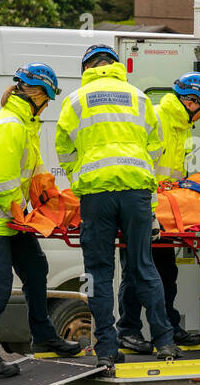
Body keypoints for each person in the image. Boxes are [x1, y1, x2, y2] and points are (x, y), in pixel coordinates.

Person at [56, 43, 179, 368]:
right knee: (142, 266)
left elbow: (64, 148)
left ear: (87, 69)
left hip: (96, 193)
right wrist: (138, 170)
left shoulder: (75, 100)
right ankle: (165, 341)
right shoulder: (139, 97)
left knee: (99, 273)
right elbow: (156, 145)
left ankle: (107, 350)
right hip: (136, 189)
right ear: (114, 66)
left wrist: (79, 176)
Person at [0, 64, 80, 379]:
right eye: (49, 98)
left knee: (36, 269)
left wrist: (51, 199)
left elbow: (34, 171)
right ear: (37, 94)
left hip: (8, 220)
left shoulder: (26, 125)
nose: (49, 104)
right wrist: (21, 213)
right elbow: (1, 182)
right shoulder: (9, 126)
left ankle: (44, 335)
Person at [116, 72, 200, 352]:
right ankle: (128, 329)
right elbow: (142, 167)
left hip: (162, 214)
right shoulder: (158, 119)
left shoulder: (179, 127)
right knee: (135, 273)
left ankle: (169, 325)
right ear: (191, 101)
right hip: (140, 208)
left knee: (166, 272)